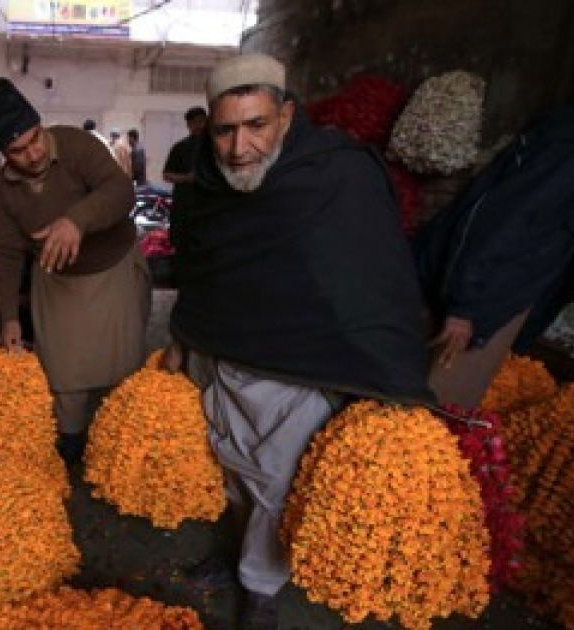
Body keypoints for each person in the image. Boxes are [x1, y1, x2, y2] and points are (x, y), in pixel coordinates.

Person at [160, 54, 434, 629]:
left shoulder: (337, 176)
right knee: (231, 471)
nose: (240, 149)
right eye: (225, 130)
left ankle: (260, 587)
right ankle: (235, 557)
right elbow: (203, 266)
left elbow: (370, 277)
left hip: (302, 371)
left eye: (256, 125)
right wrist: (185, 336)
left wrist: (388, 375)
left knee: (278, 483)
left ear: (285, 116)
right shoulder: (209, 181)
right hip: (222, 362)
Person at [415, 57, 574, 408]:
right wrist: (463, 307)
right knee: (422, 398)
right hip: (461, 300)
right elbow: (499, 222)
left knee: (445, 400)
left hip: (494, 299)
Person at [0, 77, 150, 463]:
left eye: (36, 138)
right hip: (57, 282)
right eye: (18, 150)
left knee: (122, 365)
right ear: (3, 152)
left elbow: (120, 192)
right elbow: (6, 255)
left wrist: (76, 221)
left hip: (110, 268)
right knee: (63, 373)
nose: (33, 153)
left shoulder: (76, 145)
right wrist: (8, 318)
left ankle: (122, 444)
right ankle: (70, 446)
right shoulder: (6, 192)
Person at [162, 106, 208, 199]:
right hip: (185, 202)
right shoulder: (180, 147)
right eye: (193, 123)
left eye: (200, 121)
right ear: (188, 125)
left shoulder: (217, 146)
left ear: (207, 122)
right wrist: (186, 178)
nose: (198, 125)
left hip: (211, 202)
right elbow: (166, 175)